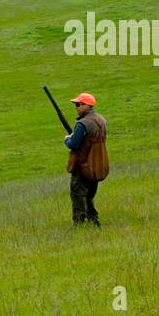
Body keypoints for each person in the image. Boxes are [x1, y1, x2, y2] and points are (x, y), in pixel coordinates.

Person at [63, 93, 108, 226]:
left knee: (78, 194)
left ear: (86, 105)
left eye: (78, 104)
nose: (75, 107)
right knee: (90, 194)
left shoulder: (82, 123)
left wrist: (67, 139)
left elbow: (73, 144)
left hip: (82, 164)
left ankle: (79, 223)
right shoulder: (102, 120)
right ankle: (94, 220)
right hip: (97, 163)